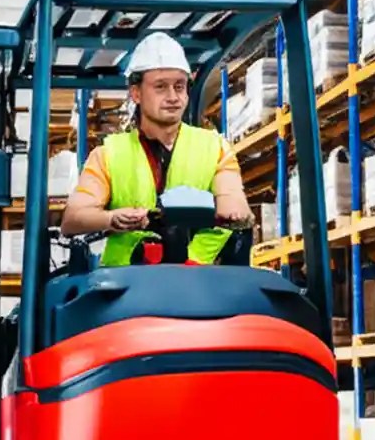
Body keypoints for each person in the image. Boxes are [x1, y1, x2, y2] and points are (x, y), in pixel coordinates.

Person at [59, 32, 255, 266]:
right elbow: (72, 219)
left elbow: (235, 202)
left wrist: (233, 212)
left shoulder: (215, 147)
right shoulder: (109, 154)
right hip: (125, 287)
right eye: (160, 87)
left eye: (179, 87)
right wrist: (110, 218)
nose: (173, 97)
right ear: (136, 93)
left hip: (197, 282)